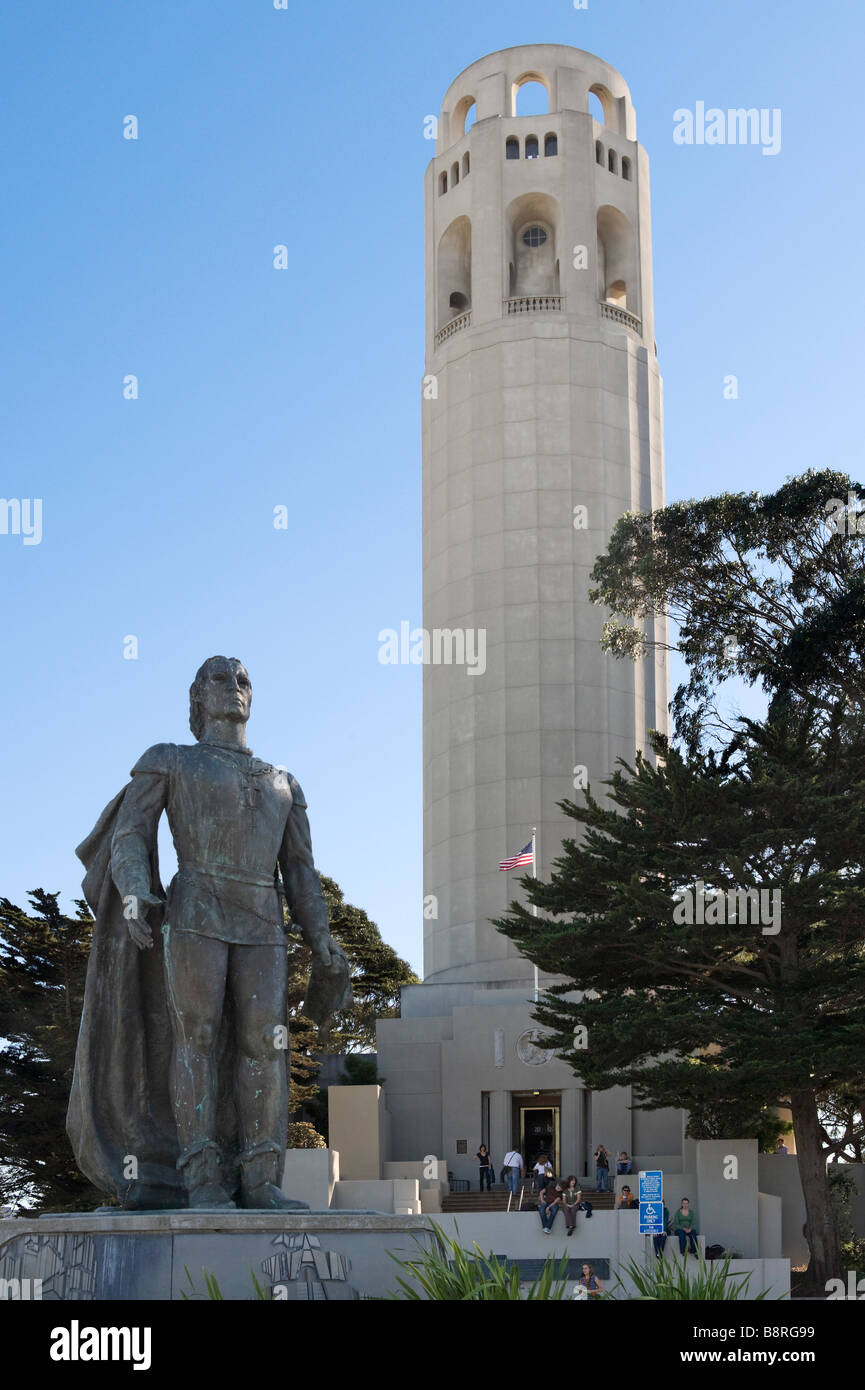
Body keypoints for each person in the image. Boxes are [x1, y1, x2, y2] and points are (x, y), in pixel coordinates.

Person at [68, 655, 351, 1210]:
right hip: (195, 909)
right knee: (194, 1038)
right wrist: (132, 891)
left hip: (264, 919)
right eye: (220, 678)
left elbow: (300, 870)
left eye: (243, 680)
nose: (234, 687)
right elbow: (129, 834)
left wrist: (321, 937)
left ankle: (261, 1179)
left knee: (263, 1046)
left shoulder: (283, 782)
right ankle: (201, 1177)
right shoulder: (169, 760)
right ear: (197, 698)